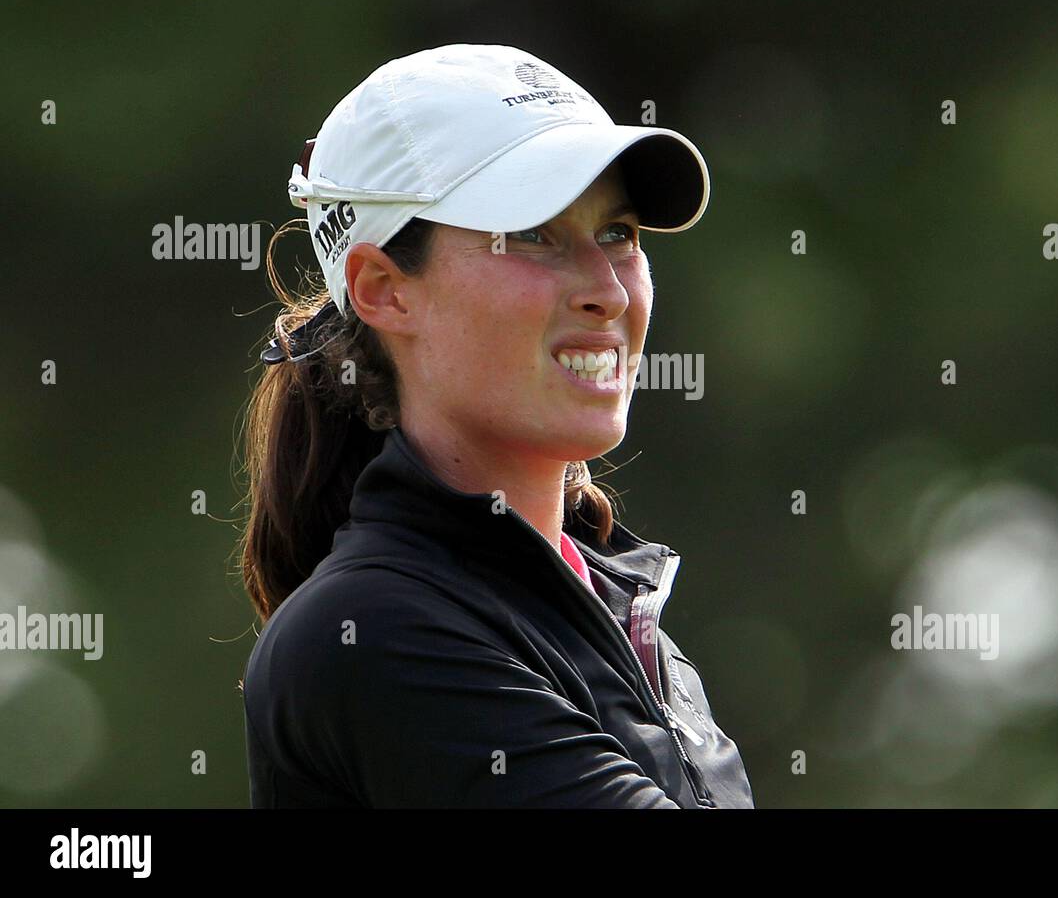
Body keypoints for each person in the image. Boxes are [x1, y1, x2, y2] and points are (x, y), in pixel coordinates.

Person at [236, 44, 755, 808]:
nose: (608, 292)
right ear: (383, 289)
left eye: (619, 233)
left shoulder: (630, 625)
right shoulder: (374, 633)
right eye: (536, 234)